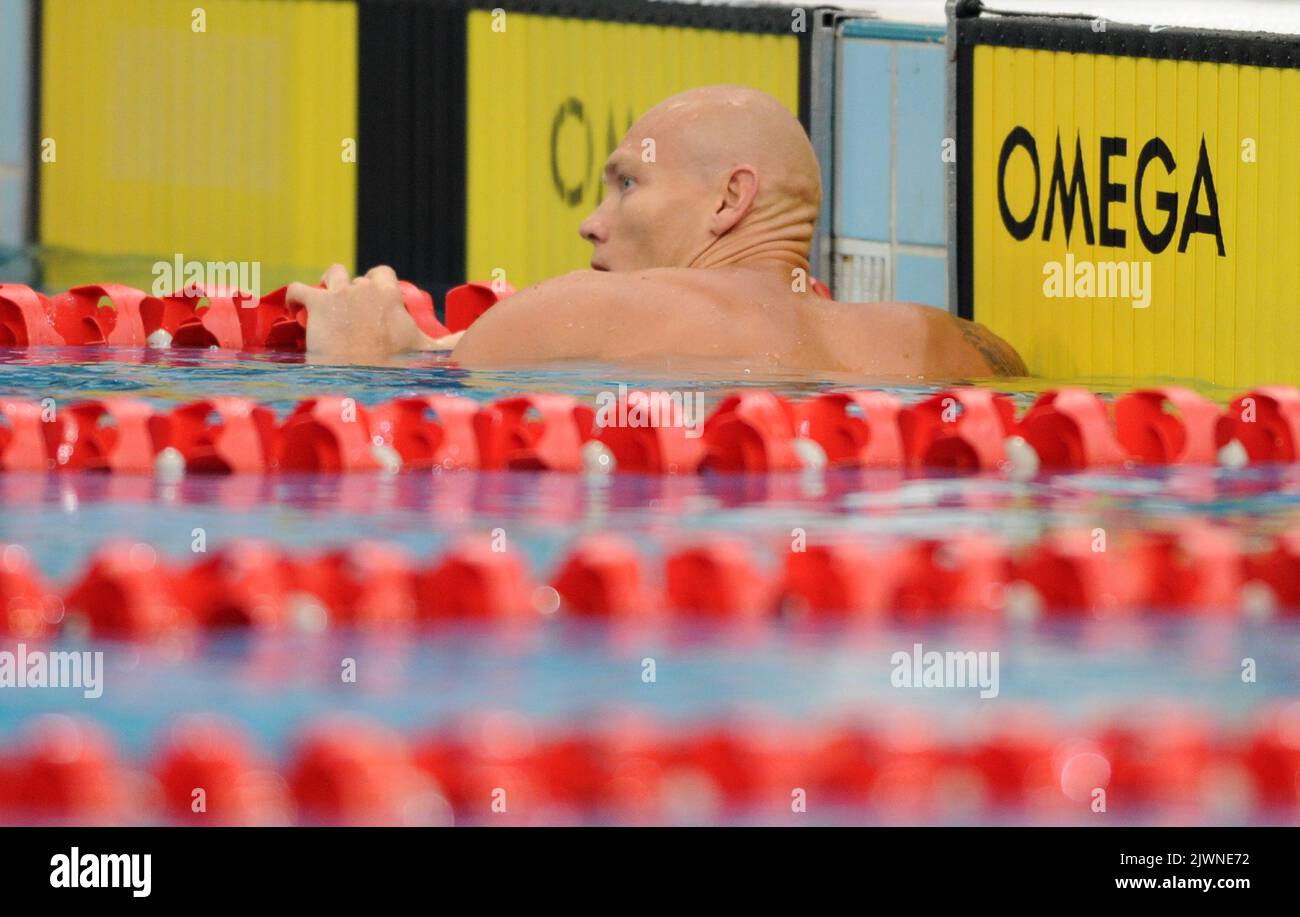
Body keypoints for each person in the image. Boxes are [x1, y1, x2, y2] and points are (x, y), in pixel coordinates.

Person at [288, 85, 1026, 378]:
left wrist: (360, 355)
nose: (591, 223)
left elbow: (392, 435)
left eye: (627, 184)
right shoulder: (959, 346)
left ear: (730, 199)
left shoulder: (585, 311)